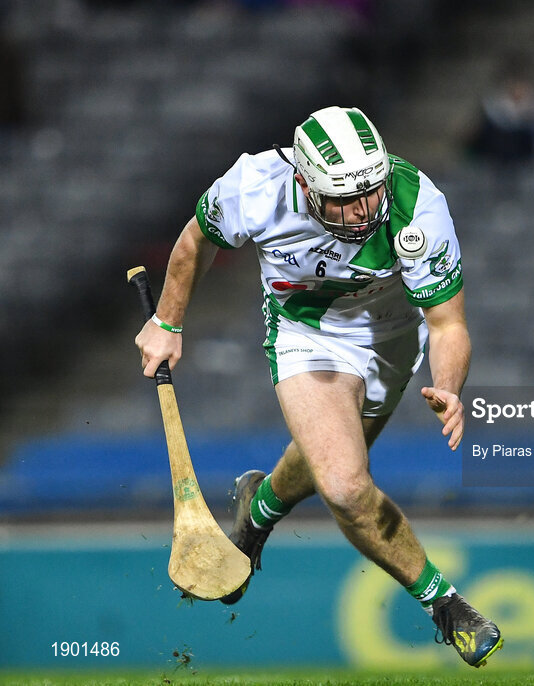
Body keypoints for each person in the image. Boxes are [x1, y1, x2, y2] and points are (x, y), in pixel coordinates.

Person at [133, 106, 503, 668]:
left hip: (392, 339)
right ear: (305, 183)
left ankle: (256, 514)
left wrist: (449, 386)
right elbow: (194, 241)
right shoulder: (256, 186)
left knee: (329, 461)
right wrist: (167, 322)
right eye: (343, 200)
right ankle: (445, 604)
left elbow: (449, 324)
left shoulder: (416, 204)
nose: (363, 212)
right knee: (347, 486)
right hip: (307, 333)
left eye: (371, 193)